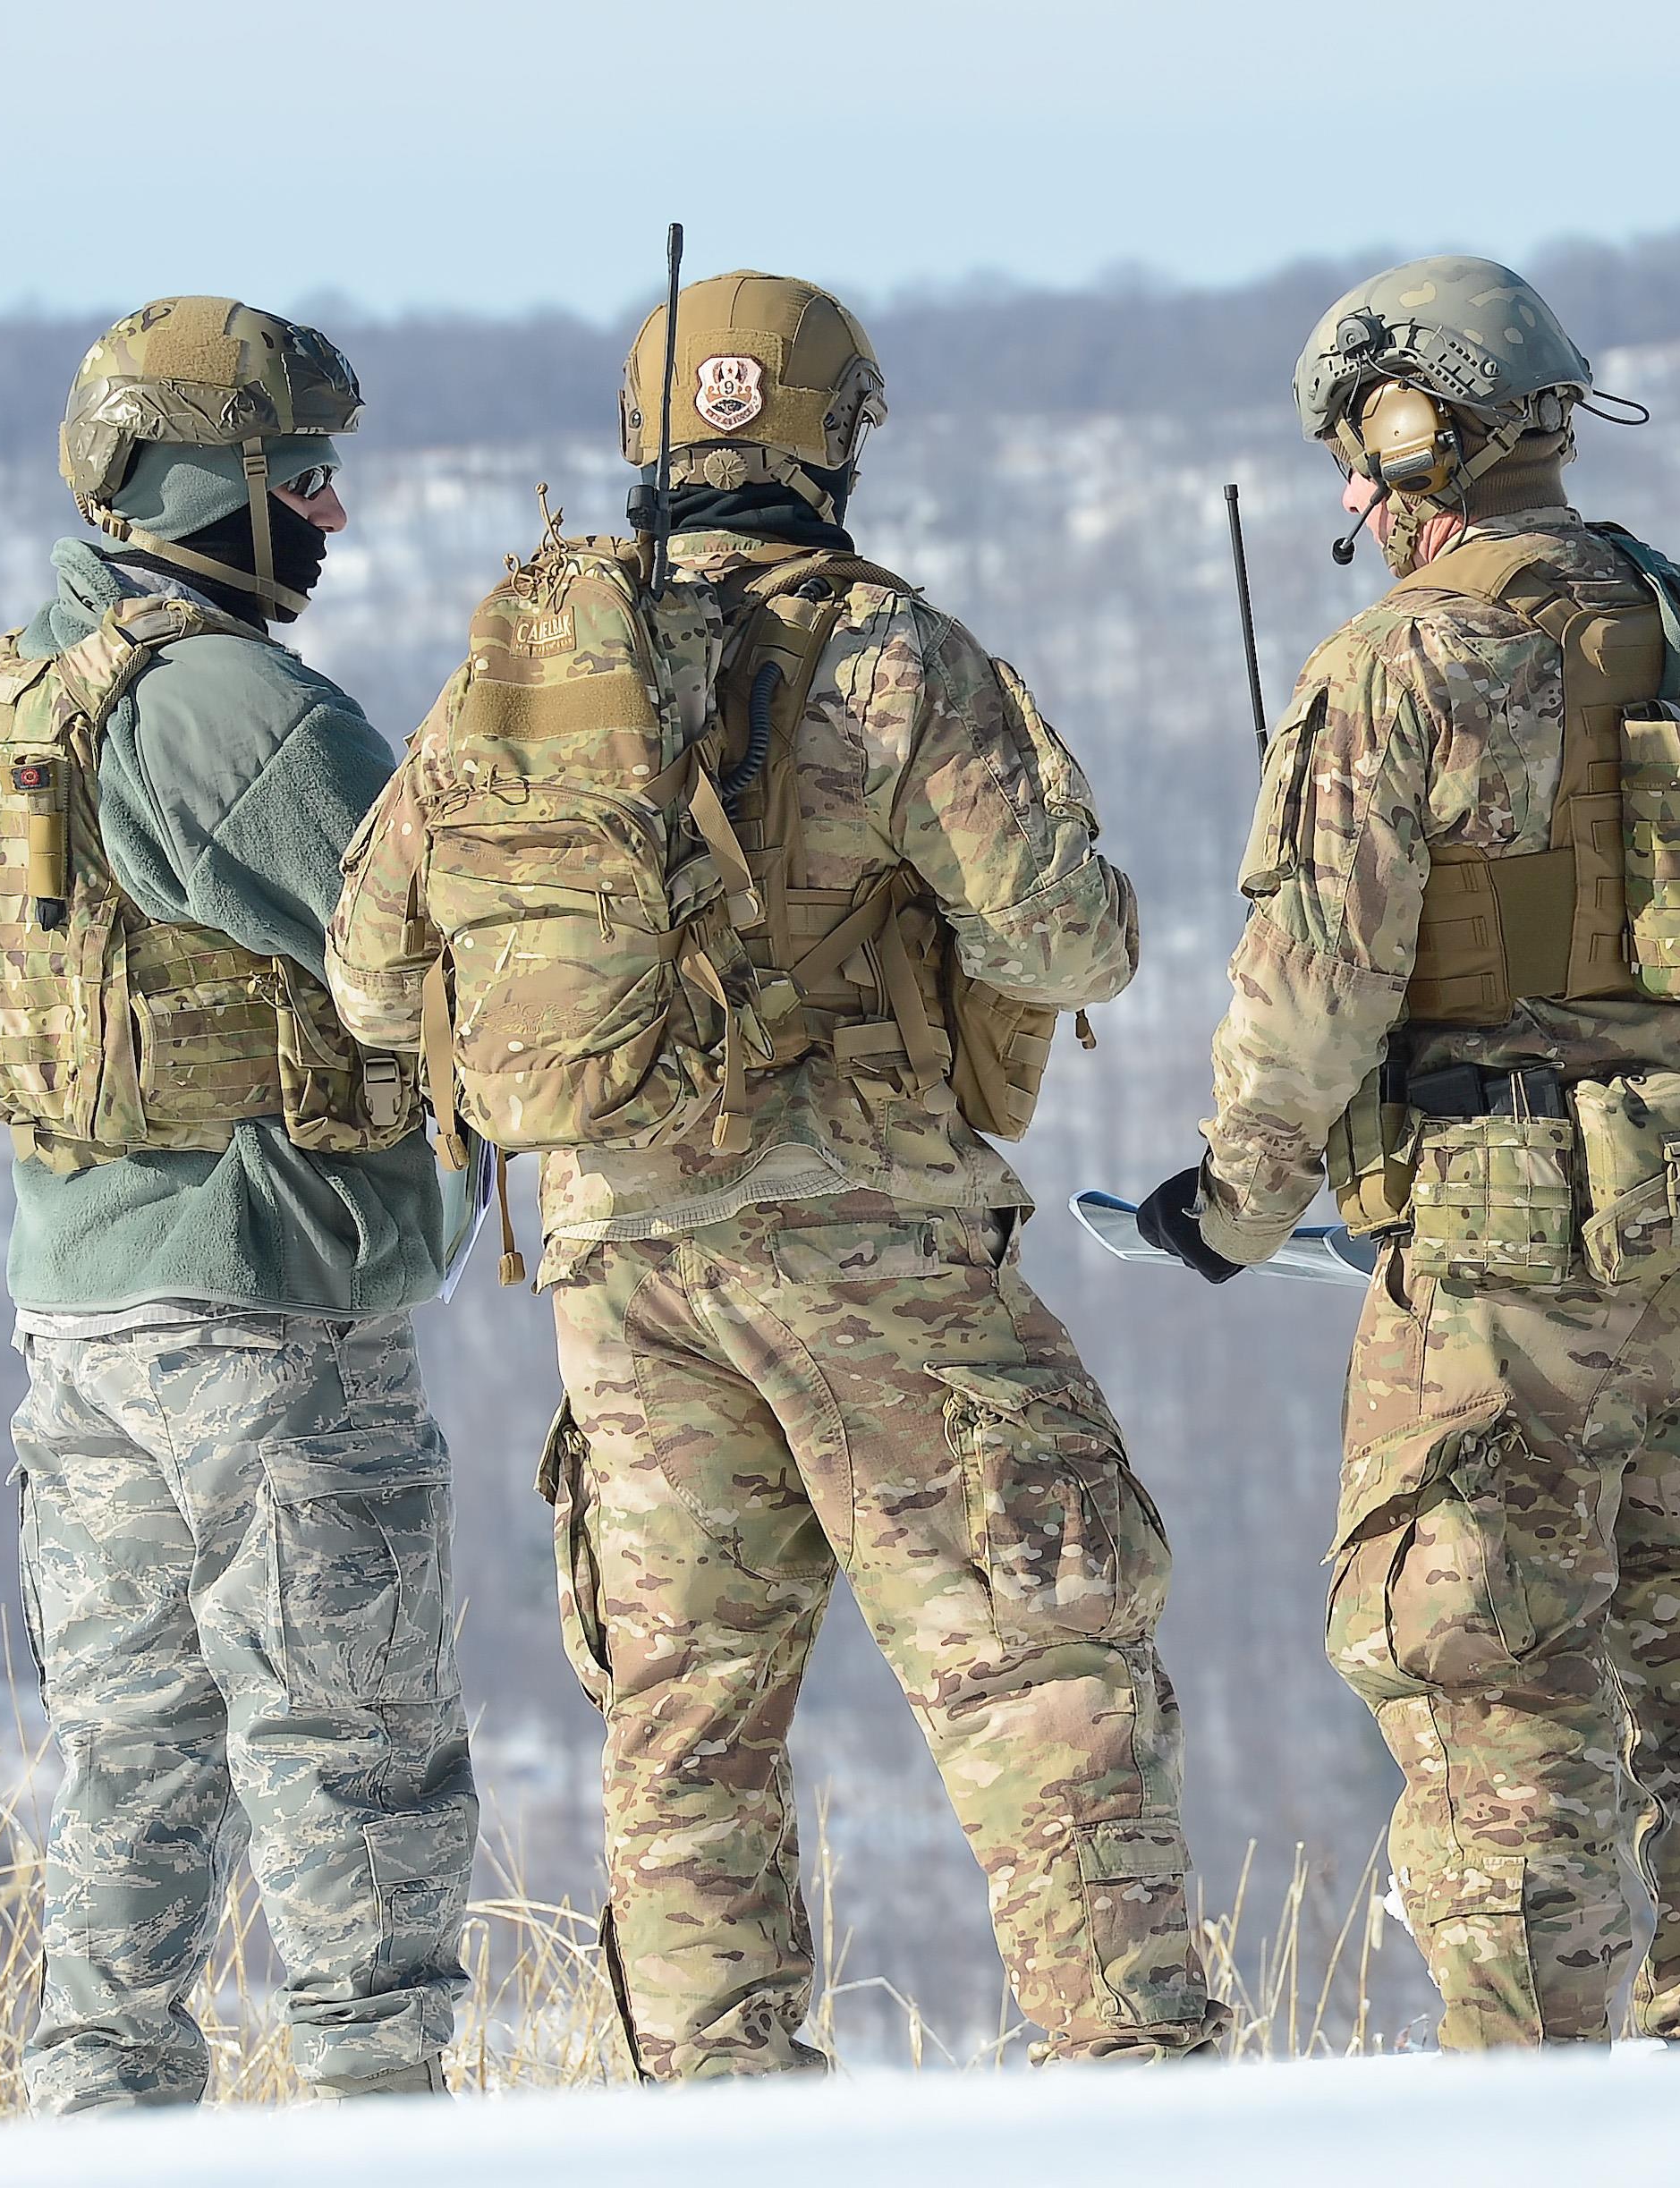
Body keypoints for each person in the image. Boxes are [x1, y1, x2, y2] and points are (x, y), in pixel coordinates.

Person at [327, 269, 1226, 2076]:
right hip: (862, 1238)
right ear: (831, 435)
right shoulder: (890, 655)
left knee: (684, 1713)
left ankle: (714, 2103)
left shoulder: (521, 678)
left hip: (615, 1257)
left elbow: (365, 967)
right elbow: (1069, 940)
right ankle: (1132, 2084)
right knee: (1034, 1649)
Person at [1137, 256, 1680, 2048]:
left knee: (1494, 1704)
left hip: (1494, 1269)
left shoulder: (1397, 661)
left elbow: (1312, 986)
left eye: (1357, 454)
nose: (1349, 493)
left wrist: (1235, 1200)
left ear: (1415, 436)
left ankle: (1529, 2128)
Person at [0, 295, 477, 2107]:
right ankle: (386, 2120)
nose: (330, 515)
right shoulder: (232, 704)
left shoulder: (24, 679)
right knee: (352, 1739)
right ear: (192, 477)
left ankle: (99, 2113)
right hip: (265, 1300)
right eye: (301, 477)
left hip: (78, 1311)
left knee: (131, 1752)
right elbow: (446, 944)